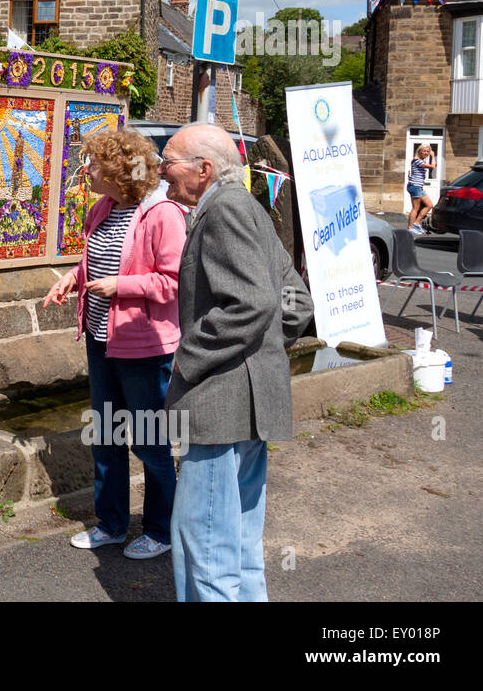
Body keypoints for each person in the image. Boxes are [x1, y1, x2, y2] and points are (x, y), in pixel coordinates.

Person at [158, 123, 312, 601]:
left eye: (169, 161)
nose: (161, 171)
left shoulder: (223, 209)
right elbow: (295, 301)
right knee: (240, 544)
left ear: (204, 170)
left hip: (221, 403)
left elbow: (250, 304)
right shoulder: (248, 206)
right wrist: (263, 353)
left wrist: (188, 359)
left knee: (206, 548)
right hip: (253, 399)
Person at [43, 128, 188, 560]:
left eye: (93, 163)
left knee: (148, 441)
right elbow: (95, 258)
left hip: (144, 346)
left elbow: (173, 282)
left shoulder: (163, 214)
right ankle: (112, 525)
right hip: (101, 339)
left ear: (119, 170)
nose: (85, 170)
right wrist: (75, 277)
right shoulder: (103, 208)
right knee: (106, 435)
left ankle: (161, 531)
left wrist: (120, 286)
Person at [406, 144, 437, 234]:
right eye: (424, 151)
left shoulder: (420, 161)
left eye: (428, 151)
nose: (426, 153)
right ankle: (410, 228)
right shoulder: (417, 161)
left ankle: (417, 222)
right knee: (415, 208)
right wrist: (433, 156)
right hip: (415, 186)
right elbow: (433, 166)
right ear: (419, 151)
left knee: (429, 205)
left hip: (418, 186)